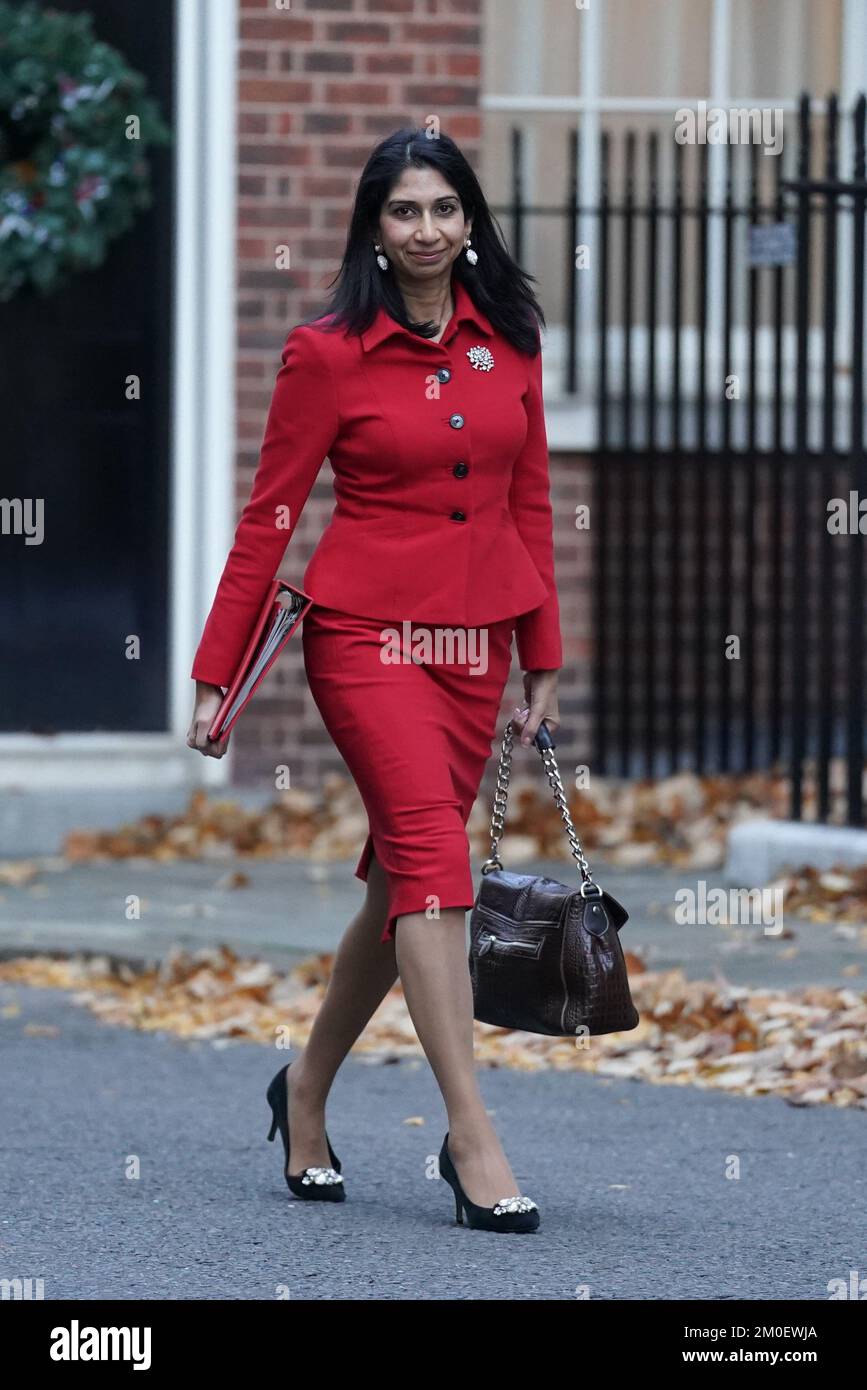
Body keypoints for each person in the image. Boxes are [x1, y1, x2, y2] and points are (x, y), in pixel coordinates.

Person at [187, 127, 562, 1233]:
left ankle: (303, 1089)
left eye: (446, 209)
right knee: (433, 866)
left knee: (403, 882)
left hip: (474, 647)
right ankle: (471, 1135)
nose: (429, 230)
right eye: (405, 211)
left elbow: (527, 500)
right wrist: (219, 671)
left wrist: (543, 649)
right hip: (364, 640)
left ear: (469, 221)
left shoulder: (515, 340)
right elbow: (271, 516)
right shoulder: (325, 352)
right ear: (374, 228)